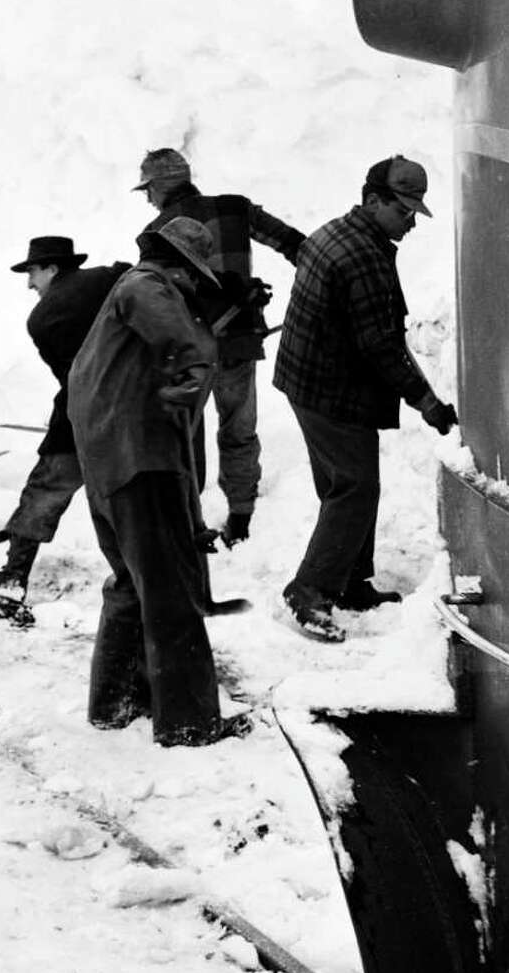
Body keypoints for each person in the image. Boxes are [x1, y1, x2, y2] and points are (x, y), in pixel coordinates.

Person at [68, 215, 250, 747]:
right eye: (194, 278)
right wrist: (193, 363)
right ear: (179, 267)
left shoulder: (119, 316)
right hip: (140, 463)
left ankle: (115, 702)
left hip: (112, 465)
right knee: (171, 593)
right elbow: (178, 337)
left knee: (132, 583)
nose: (194, 289)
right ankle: (189, 723)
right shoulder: (146, 284)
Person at [273, 155, 456, 642]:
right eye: (404, 211)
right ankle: (308, 593)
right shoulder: (363, 257)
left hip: (308, 380)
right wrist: (428, 403)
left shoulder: (339, 232)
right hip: (331, 390)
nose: (411, 222)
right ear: (374, 201)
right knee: (353, 489)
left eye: (416, 212)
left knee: (345, 486)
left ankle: (350, 582)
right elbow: (380, 346)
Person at [133, 147, 307, 546]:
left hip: (189, 351)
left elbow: (153, 296)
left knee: (184, 435)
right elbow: (294, 244)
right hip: (239, 344)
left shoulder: (156, 232)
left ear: (160, 186)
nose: (147, 198)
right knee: (239, 431)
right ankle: (240, 521)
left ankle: (189, 523)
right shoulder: (234, 209)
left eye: (148, 189)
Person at [0, 235, 129, 617]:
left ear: (52, 268)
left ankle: (14, 575)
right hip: (138, 408)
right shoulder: (114, 276)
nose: (30, 284)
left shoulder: (43, 319)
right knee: (129, 501)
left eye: (32, 273)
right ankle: (147, 582)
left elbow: (74, 376)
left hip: (87, 412)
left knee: (47, 488)